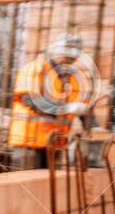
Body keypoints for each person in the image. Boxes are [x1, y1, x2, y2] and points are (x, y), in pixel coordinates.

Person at [7, 34, 92, 170]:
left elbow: (84, 108)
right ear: (55, 52)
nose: (70, 61)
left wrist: (91, 124)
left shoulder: (74, 79)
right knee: (26, 184)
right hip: (29, 141)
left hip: (54, 143)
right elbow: (29, 100)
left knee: (45, 187)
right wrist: (67, 108)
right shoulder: (34, 69)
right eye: (67, 56)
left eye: (73, 58)